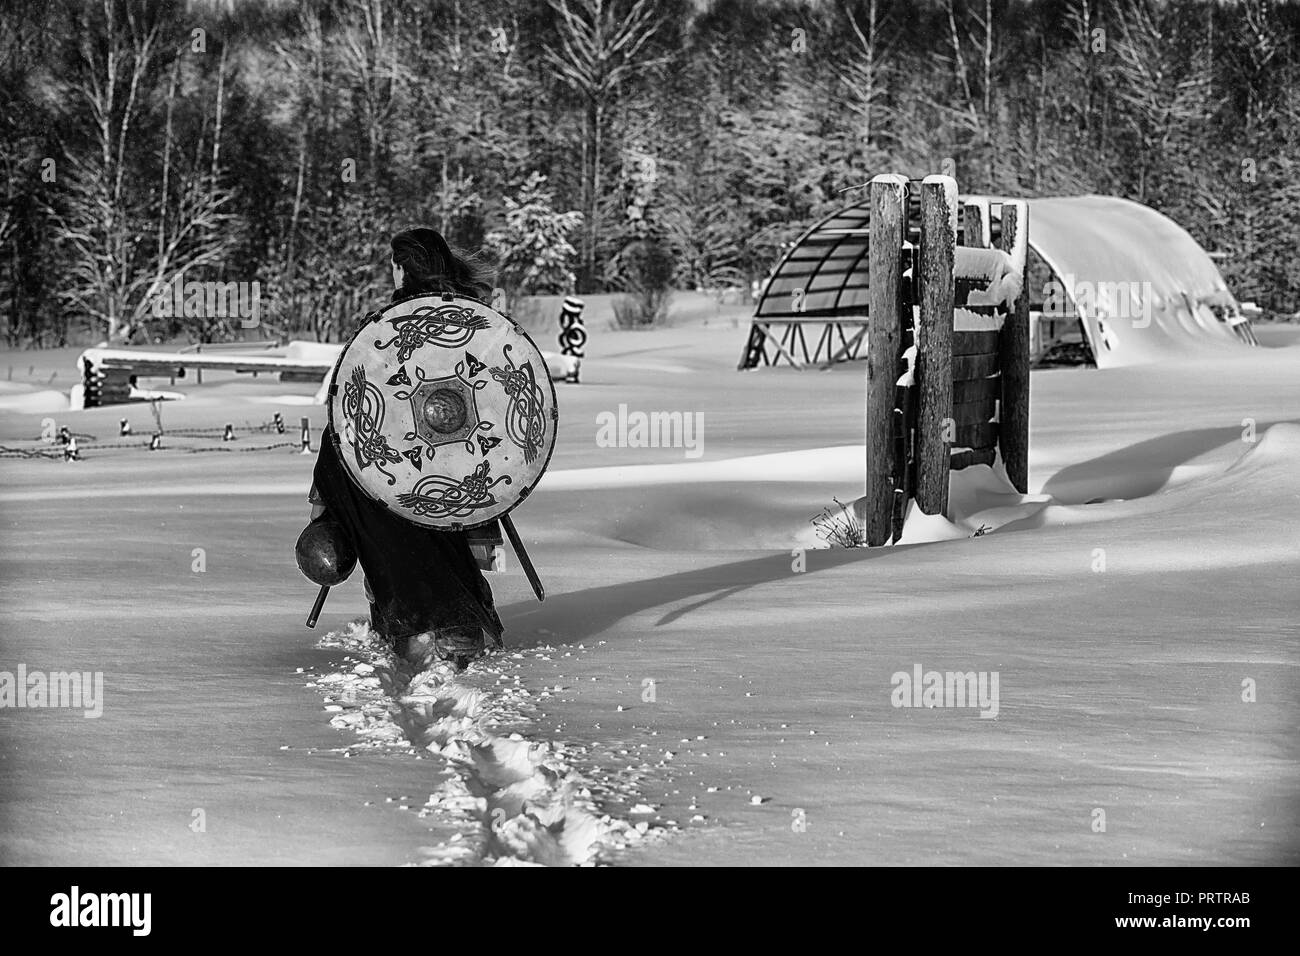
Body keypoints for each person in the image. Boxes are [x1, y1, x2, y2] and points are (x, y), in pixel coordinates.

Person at [305, 227, 504, 667]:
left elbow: (350, 407)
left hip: (438, 457)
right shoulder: (473, 317)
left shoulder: (387, 324)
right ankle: (458, 618)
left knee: (353, 471)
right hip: (469, 458)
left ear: (401, 268)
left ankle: (419, 613)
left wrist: (324, 488)